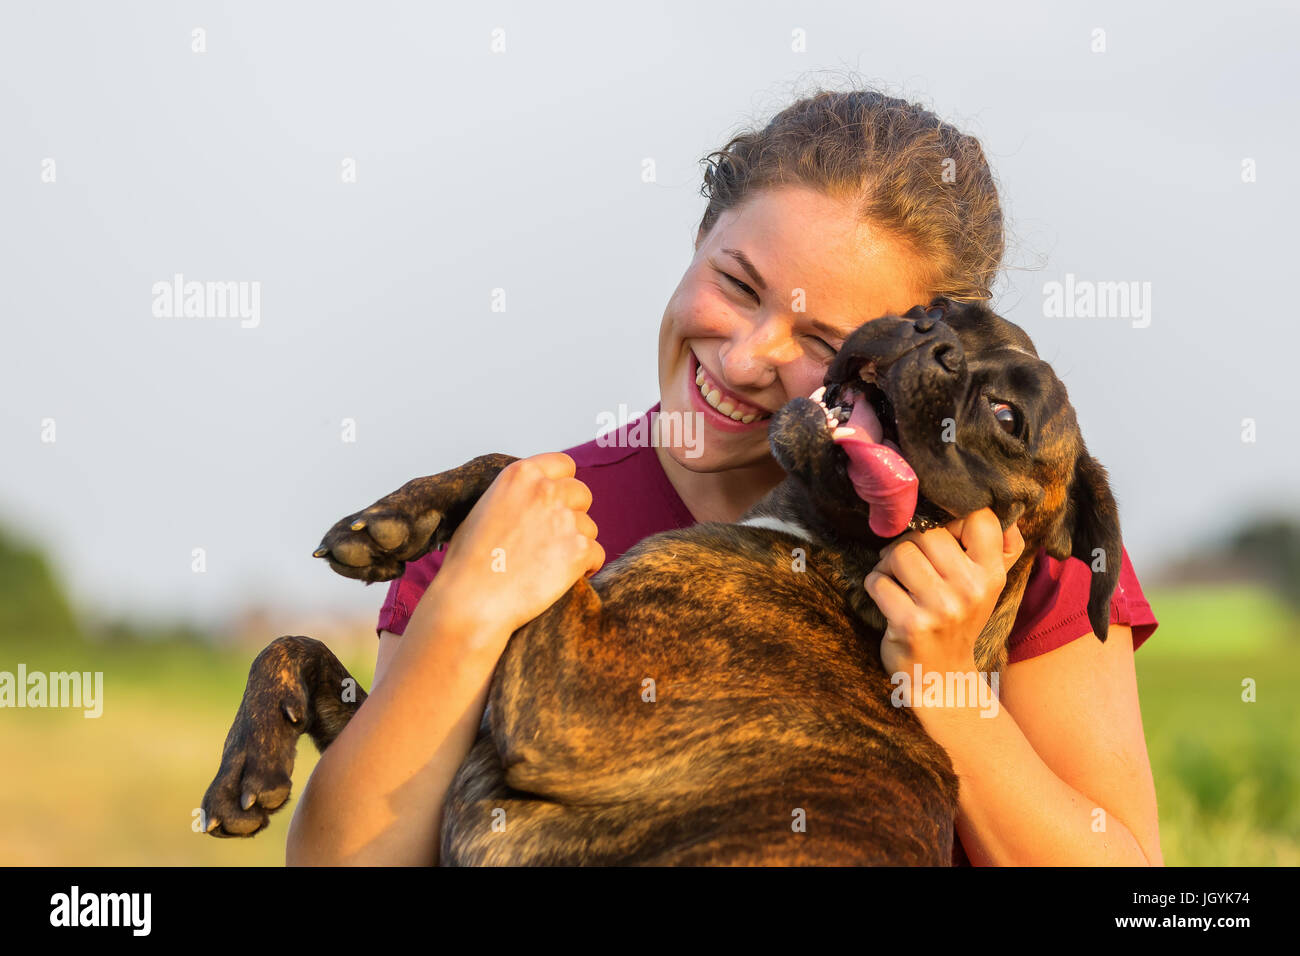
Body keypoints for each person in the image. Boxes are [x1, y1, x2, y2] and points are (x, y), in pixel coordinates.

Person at [286, 89, 1162, 866]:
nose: (745, 359)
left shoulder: (1014, 561)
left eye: (821, 341)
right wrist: (468, 614)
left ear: (902, 359)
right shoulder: (509, 520)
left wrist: (949, 690)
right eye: (737, 284)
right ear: (700, 236)